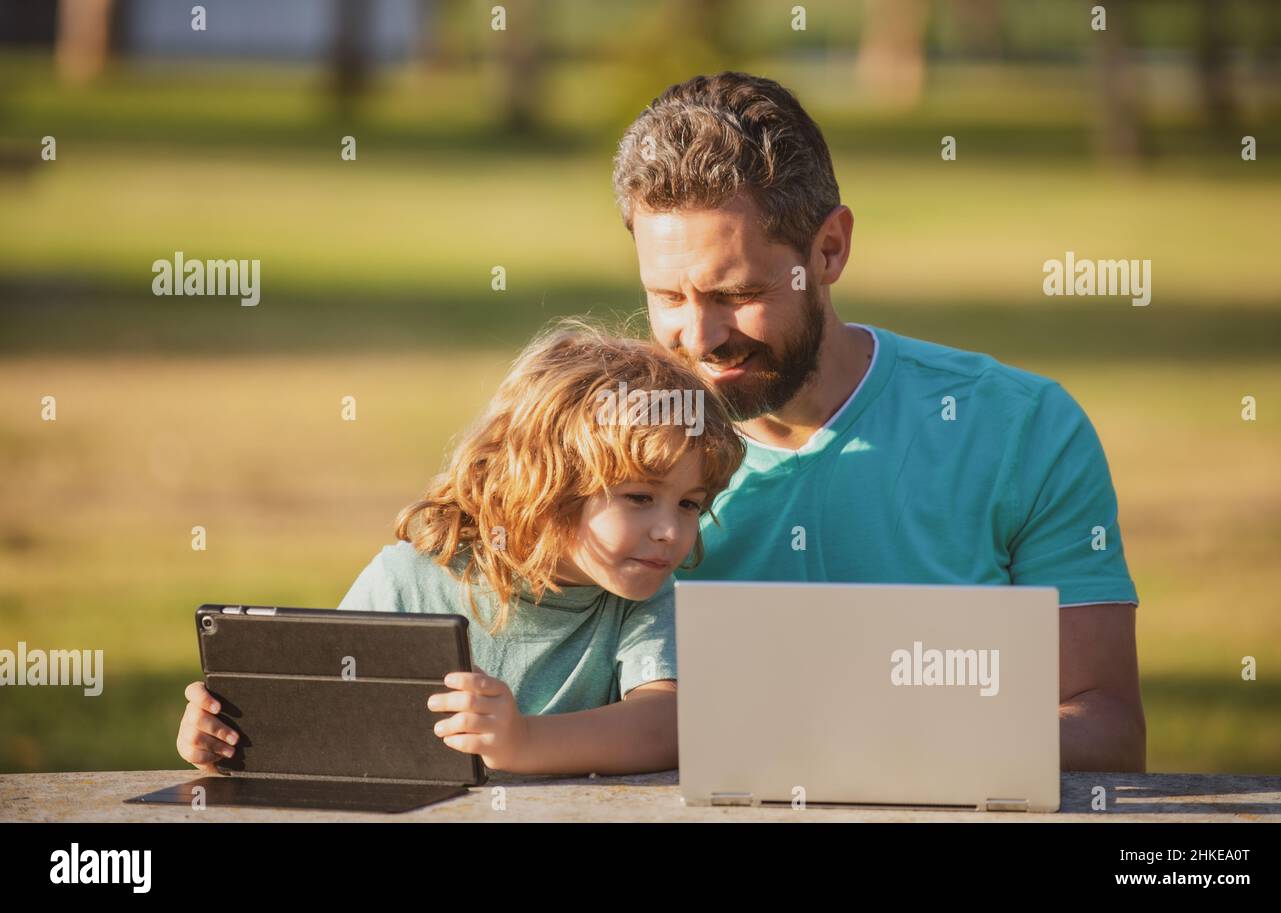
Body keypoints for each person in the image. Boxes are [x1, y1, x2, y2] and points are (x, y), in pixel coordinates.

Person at [612, 71, 1146, 772]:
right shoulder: (607, 452)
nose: (701, 337)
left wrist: (906, 741)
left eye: (737, 293)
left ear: (829, 249)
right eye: (668, 297)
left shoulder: (1023, 429)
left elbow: (1107, 728)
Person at [176, 320, 745, 776]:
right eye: (641, 497)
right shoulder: (410, 580)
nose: (671, 531)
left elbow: (667, 725)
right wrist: (227, 740)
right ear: (545, 485)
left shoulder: (642, 595)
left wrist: (524, 741)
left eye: (689, 504)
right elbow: (320, 715)